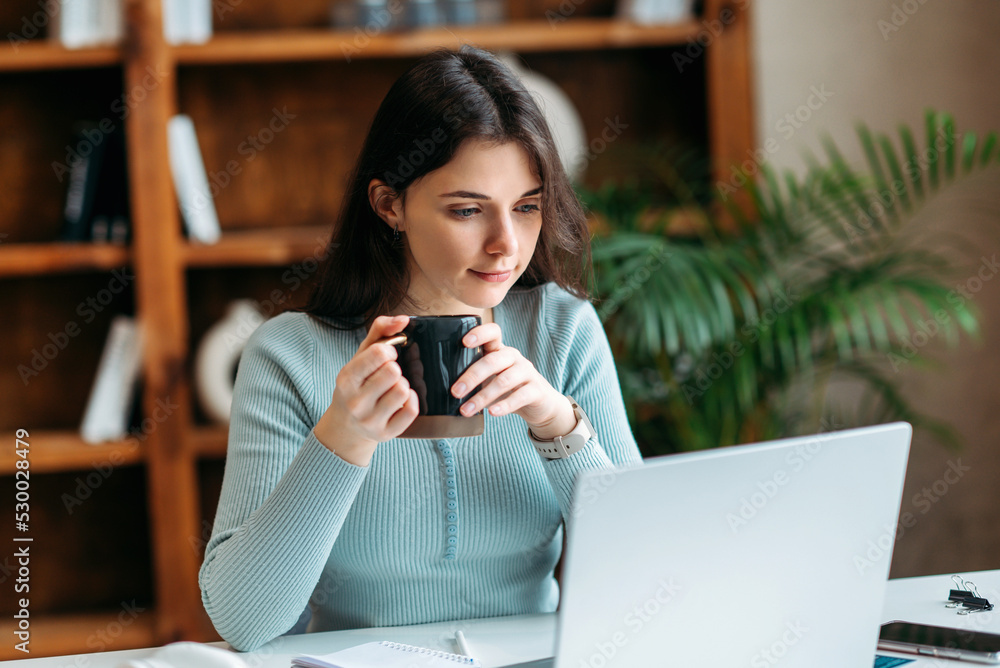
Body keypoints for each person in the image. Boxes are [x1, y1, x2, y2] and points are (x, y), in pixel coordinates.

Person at [198, 45, 642, 652]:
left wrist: (557, 424)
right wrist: (343, 437)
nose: (506, 246)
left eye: (526, 208)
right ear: (389, 205)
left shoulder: (564, 331)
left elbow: (648, 575)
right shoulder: (288, 356)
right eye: (467, 210)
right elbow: (243, 621)